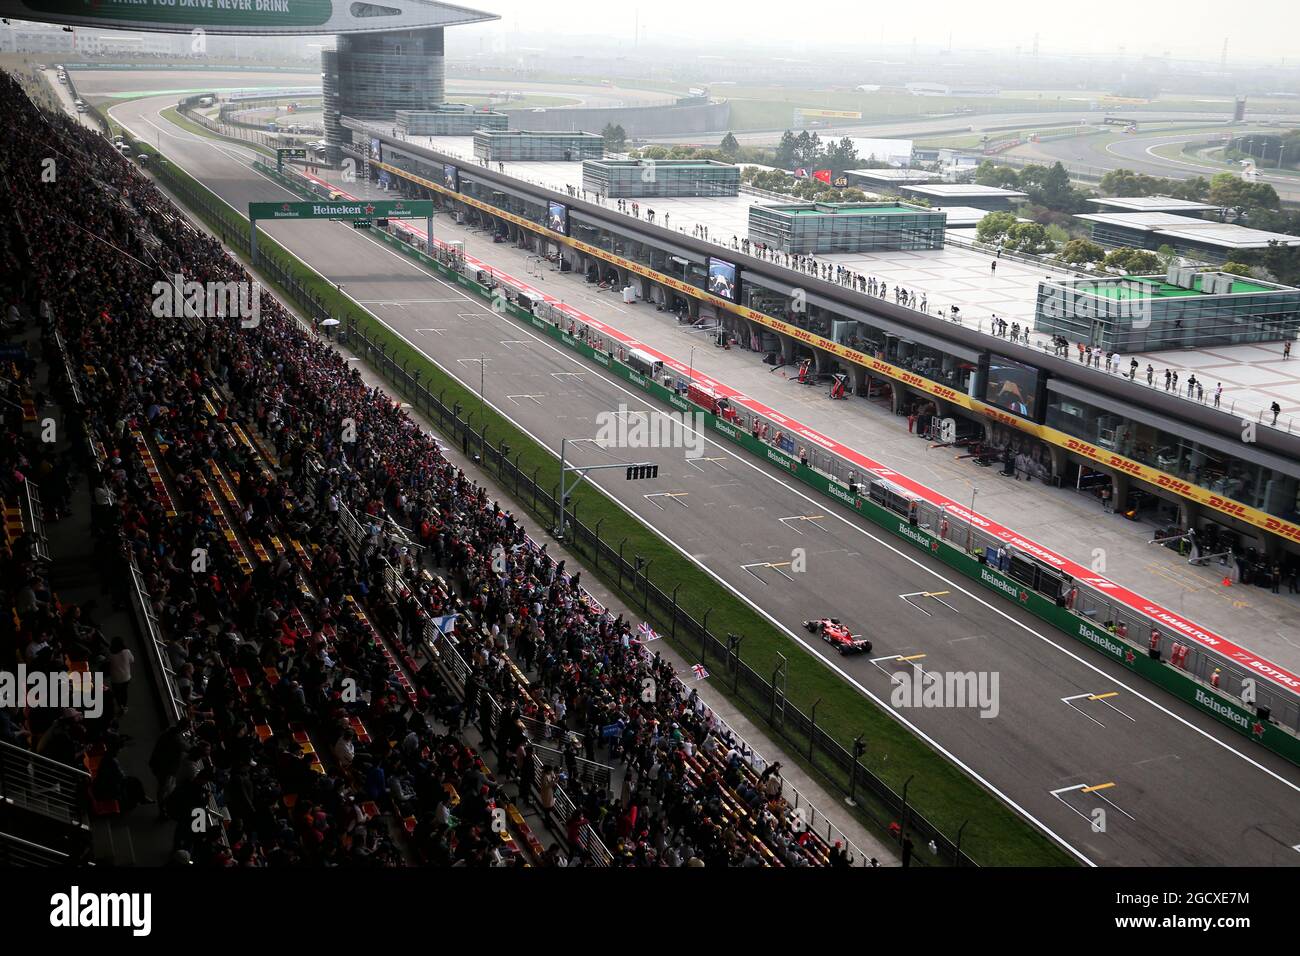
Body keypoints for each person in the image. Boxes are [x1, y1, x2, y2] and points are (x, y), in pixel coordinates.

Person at [108, 636, 134, 714]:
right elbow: (132, 660)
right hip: (126, 677)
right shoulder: (127, 652)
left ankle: (120, 705)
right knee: (124, 692)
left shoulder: (110, 655)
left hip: (115, 679)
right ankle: (124, 706)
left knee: (117, 692)